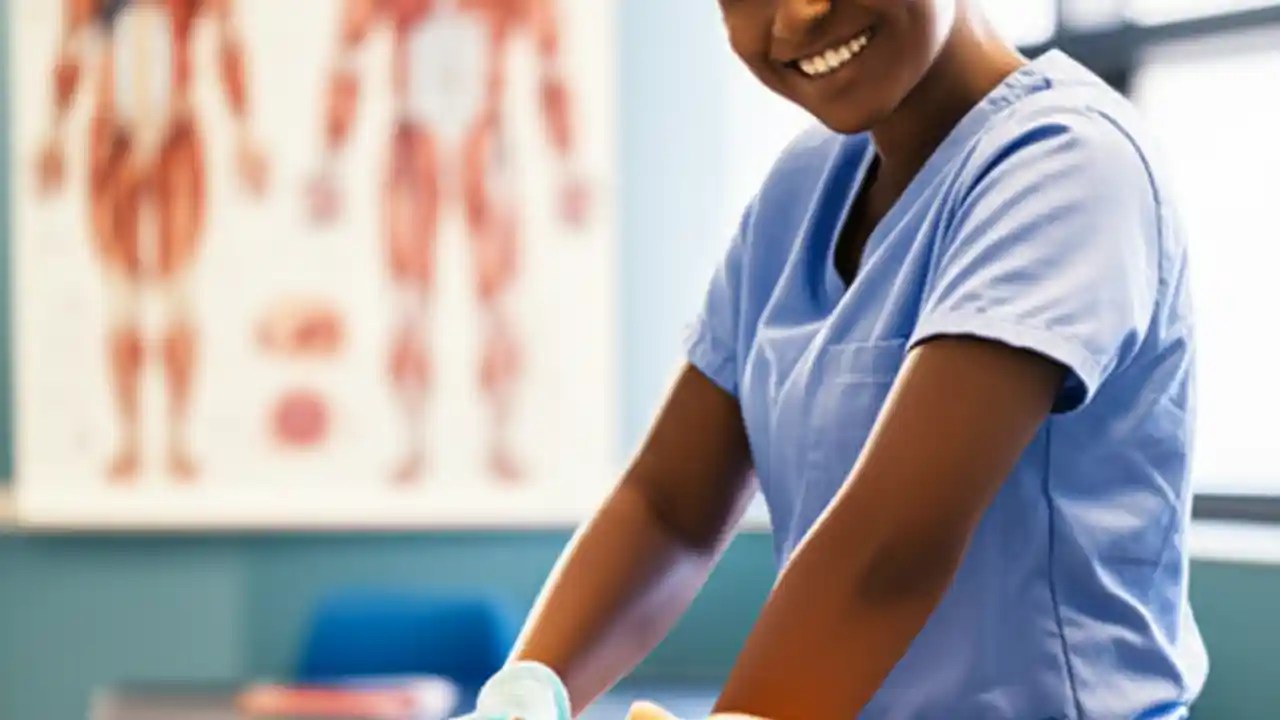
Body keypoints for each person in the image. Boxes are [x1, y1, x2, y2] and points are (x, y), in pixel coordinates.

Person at [475, 0, 1208, 718]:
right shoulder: (803, 188)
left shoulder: (1070, 165)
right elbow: (670, 506)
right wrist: (529, 688)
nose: (796, 16)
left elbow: (892, 548)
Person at [309, 0, 588, 484]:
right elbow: (347, 56)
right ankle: (412, 441)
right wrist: (331, 159)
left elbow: (551, 62)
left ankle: (500, 440)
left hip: (485, 142)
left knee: (498, 303)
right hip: (412, 146)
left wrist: (568, 165)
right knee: (409, 303)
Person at [36, 0, 267, 482]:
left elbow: (227, 40)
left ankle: (179, 437)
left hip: (176, 135)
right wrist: (54, 134)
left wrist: (245, 132)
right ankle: (130, 439)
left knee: (178, 292)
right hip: (111, 138)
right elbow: (71, 49)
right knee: (121, 295)